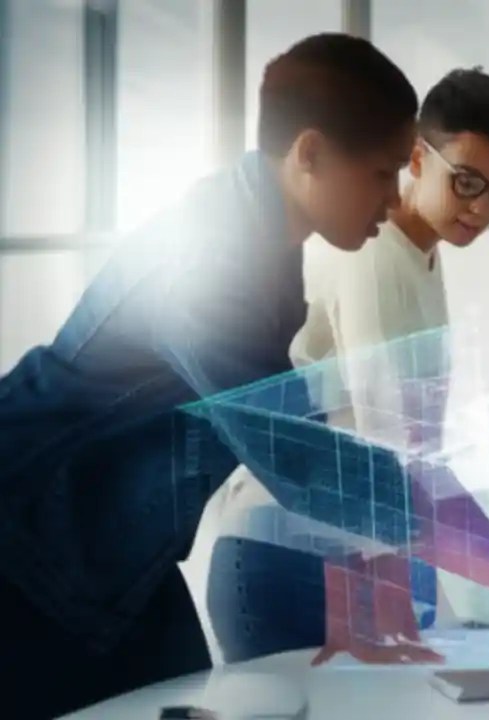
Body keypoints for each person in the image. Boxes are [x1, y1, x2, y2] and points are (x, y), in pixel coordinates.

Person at [0, 34, 418, 718]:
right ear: (309, 154)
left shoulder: (267, 244)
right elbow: (291, 452)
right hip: (29, 545)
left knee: (194, 699)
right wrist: (458, 511)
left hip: (115, 551)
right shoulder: (211, 258)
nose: (395, 199)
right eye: (383, 173)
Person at [192, 67, 489, 664]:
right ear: (417, 160)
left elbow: (414, 453)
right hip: (289, 558)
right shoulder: (372, 254)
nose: (483, 207)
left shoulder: (423, 254)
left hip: (351, 555)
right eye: (468, 182)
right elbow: (387, 449)